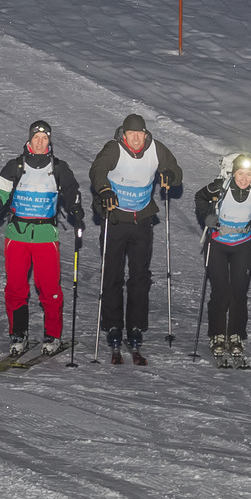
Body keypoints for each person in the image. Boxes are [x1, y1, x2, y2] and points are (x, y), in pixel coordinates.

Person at [87, 113, 180, 365]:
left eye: (140, 133)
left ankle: (136, 326)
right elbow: (97, 169)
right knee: (113, 274)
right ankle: (113, 326)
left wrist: (170, 176)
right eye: (132, 134)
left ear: (145, 133)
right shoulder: (114, 148)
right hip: (115, 220)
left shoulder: (155, 148)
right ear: (124, 134)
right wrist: (104, 189)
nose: (137, 138)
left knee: (140, 276)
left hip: (142, 221)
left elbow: (174, 169)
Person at [0, 120, 83, 361]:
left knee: (49, 288)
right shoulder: (15, 166)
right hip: (17, 234)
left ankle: (52, 335)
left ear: (49, 141)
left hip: (45, 236)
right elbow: (0, 189)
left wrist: (76, 209)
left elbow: (72, 191)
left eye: (45, 138)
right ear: (30, 140)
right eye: (36, 138)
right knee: (16, 287)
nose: (40, 142)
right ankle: (18, 334)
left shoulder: (59, 168)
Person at [193, 154, 251, 368]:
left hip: (243, 244)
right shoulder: (220, 187)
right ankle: (217, 334)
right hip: (217, 242)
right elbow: (199, 196)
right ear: (233, 172)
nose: (244, 179)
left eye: (248, 174)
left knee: (238, 290)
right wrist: (207, 214)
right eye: (240, 173)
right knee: (220, 290)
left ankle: (235, 333)